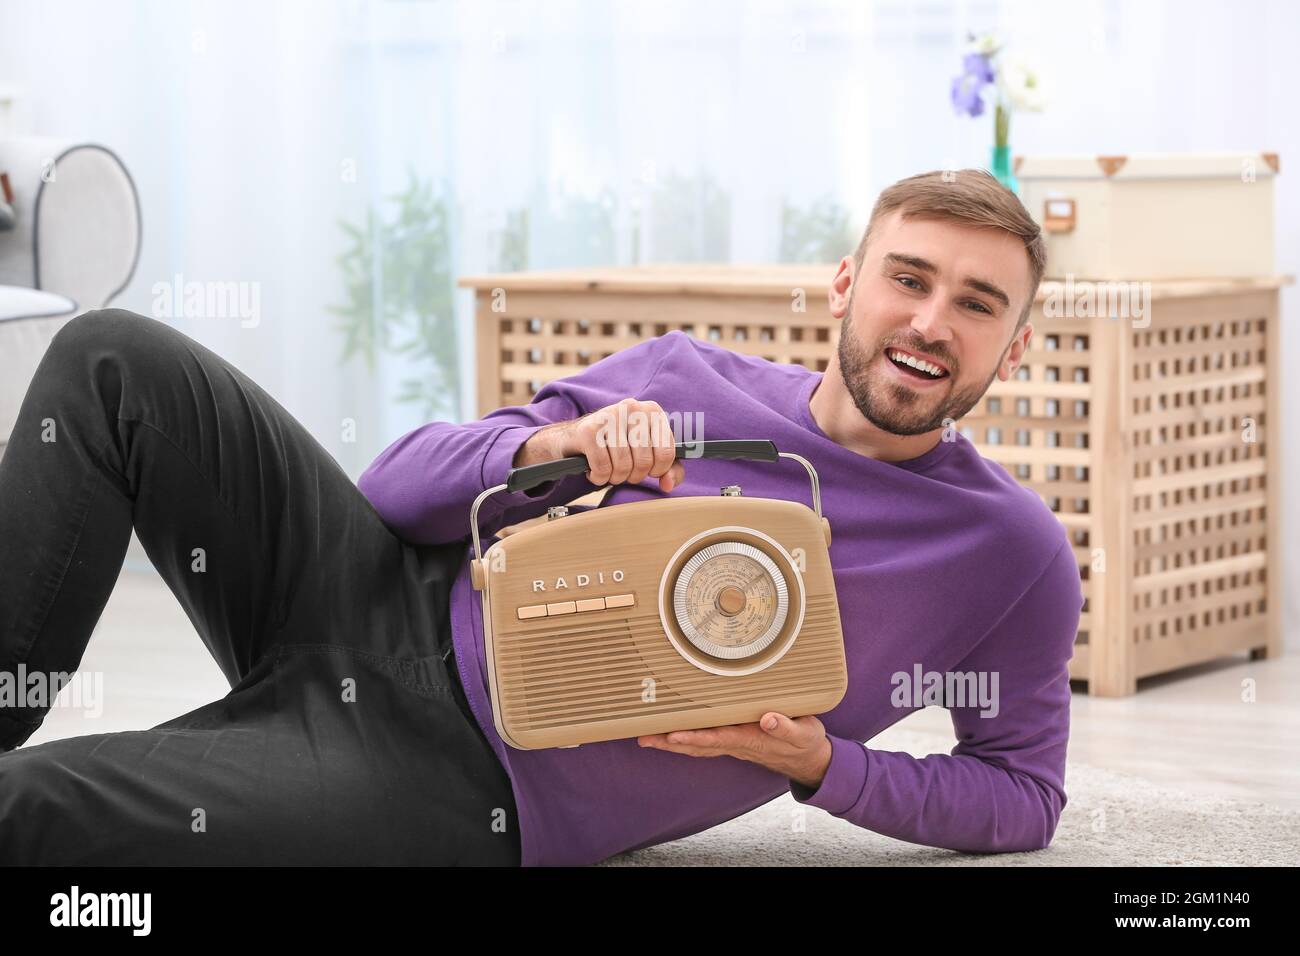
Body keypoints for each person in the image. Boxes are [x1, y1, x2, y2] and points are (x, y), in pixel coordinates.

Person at [0, 168, 1082, 866]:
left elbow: (1022, 792)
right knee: (113, 356)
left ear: (1015, 342)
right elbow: (392, 487)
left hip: (461, 780)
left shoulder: (1011, 555)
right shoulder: (686, 373)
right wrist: (548, 452)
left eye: (978, 304)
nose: (931, 321)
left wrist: (818, 763)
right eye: (908, 278)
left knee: (29, 809)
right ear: (847, 283)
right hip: (370, 590)